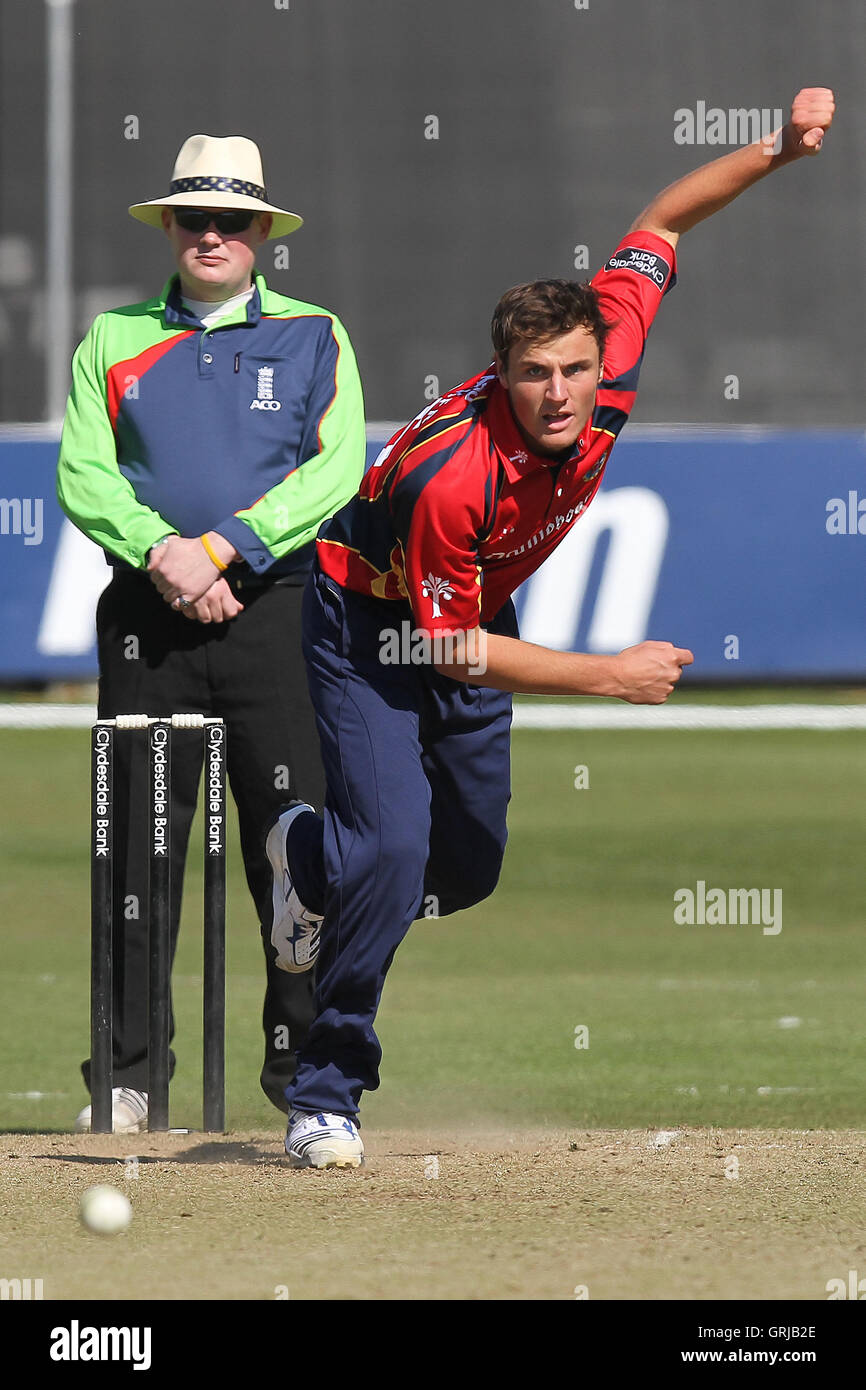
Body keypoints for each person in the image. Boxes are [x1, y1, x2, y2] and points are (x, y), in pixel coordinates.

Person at [262, 88, 836, 1169]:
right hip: (369, 621)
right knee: (391, 850)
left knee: (463, 868)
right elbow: (440, 647)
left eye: (574, 368)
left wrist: (778, 147)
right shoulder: (453, 479)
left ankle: (307, 853)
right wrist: (605, 676)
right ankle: (325, 1091)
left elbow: (661, 222)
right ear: (502, 375)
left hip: (470, 608)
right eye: (533, 375)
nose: (562, 392)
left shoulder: (609, 345)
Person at [57, 134, 366, 1132]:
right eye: (195, 217)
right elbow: (84, 473)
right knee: (137, 854)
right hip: (150, 619)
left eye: (233, 219)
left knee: (296, 857)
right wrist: (166, 555)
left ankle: (307, 1089)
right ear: (172, 227)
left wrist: (226, 547)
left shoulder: (316, 334)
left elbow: (336, 469)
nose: (213, 235)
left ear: (262, 234)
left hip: (278, 614)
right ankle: (127, 1077)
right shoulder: (112, 337)